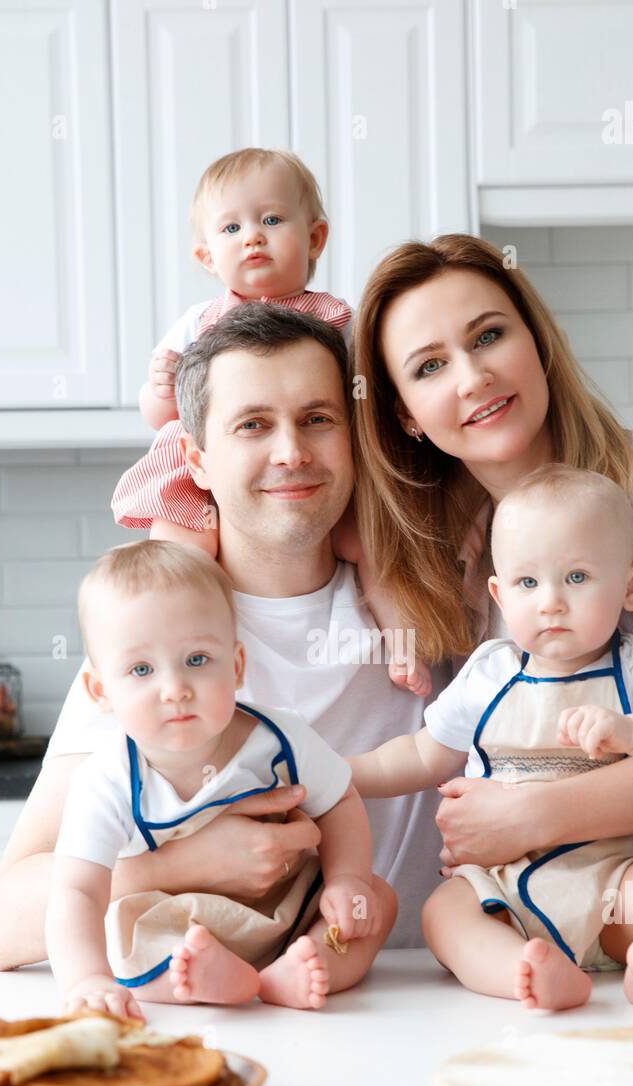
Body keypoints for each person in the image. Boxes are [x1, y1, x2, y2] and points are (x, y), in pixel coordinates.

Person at [350, 233, 633, 942]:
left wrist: (531, 816)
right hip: (577, 953)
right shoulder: (470, 571)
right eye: (430, 366)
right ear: (406, 415)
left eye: (489, 336)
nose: (472, 378)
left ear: (538, 345)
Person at [0, 305, 443, 971]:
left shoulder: (426, 611)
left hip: (415, 1002)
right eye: (252, 424)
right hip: (217, 1005)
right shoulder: (154, 644)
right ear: (196, 458)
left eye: (318, 419)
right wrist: (180, 865)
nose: (291, 452)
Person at [350, 467, 633, 1010]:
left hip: (614, 882)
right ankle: (520, 970)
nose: (551, 601)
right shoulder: (489, 673)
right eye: (529, 584)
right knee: (443, 914)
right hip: (502, 887)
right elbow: (418, 754)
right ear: (501, 596)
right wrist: (340, 774)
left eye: (576, 578)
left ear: (631, 586)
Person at [113, 146, 431, 694]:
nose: (253, 236)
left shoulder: (340, 320)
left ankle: (399, 637)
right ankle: (178, 654)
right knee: (177, 562)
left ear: (314, 239)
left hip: (323, 492)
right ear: (208, 258)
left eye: (272, 219)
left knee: (372, 546)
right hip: (190, 484)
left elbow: (372, 388)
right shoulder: (198, 324)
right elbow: (164, 414)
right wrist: (158, 387)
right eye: (232, 227)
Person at [46, 540, 390, 1018]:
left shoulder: (280, 738)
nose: (175, 690)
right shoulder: (106, 780)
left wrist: (346, 880)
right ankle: (216, 979)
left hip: (286, 913)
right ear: (101, 691)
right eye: (142, 669)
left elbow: (339, 801)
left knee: (376, 901)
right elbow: (77, 891)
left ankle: (296, 971)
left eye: (197, 660)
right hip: (177, 929)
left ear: (237, 665)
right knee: (127, 942)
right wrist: (86, 979)